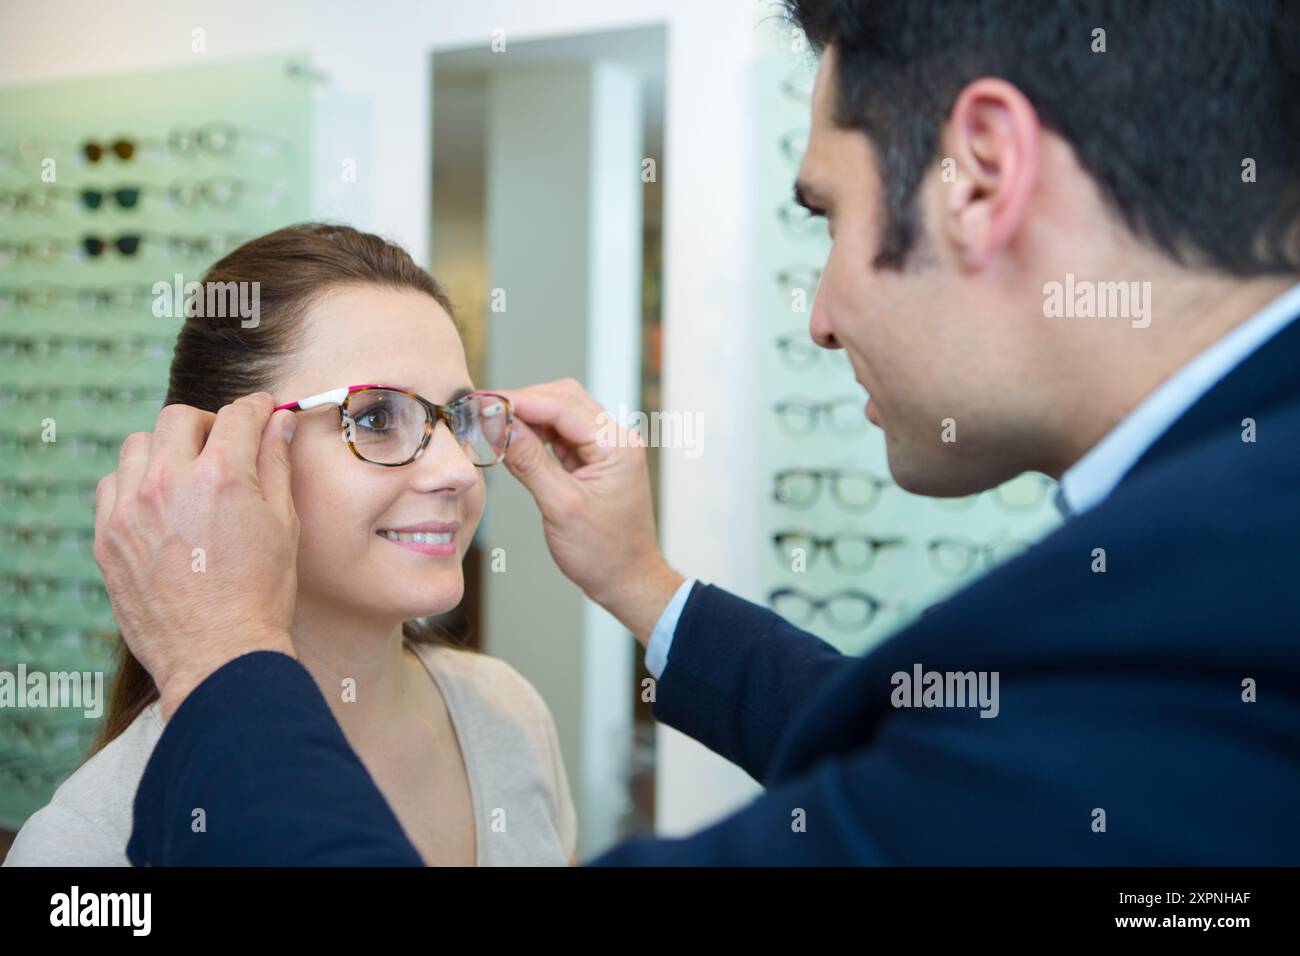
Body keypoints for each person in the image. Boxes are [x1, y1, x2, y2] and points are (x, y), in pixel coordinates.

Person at [104, 0, 1299, 865]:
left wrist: (218, 661)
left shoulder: (1174, 630)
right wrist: (646, 585)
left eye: (824, 213)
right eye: (375, 418)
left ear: (980, 175)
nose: (822, 316)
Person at [3, 224, 577, 867]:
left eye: (456, 416)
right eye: (376, 418)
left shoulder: (507, 711)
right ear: (226, 461)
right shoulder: (84, 846)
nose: (459, 471)